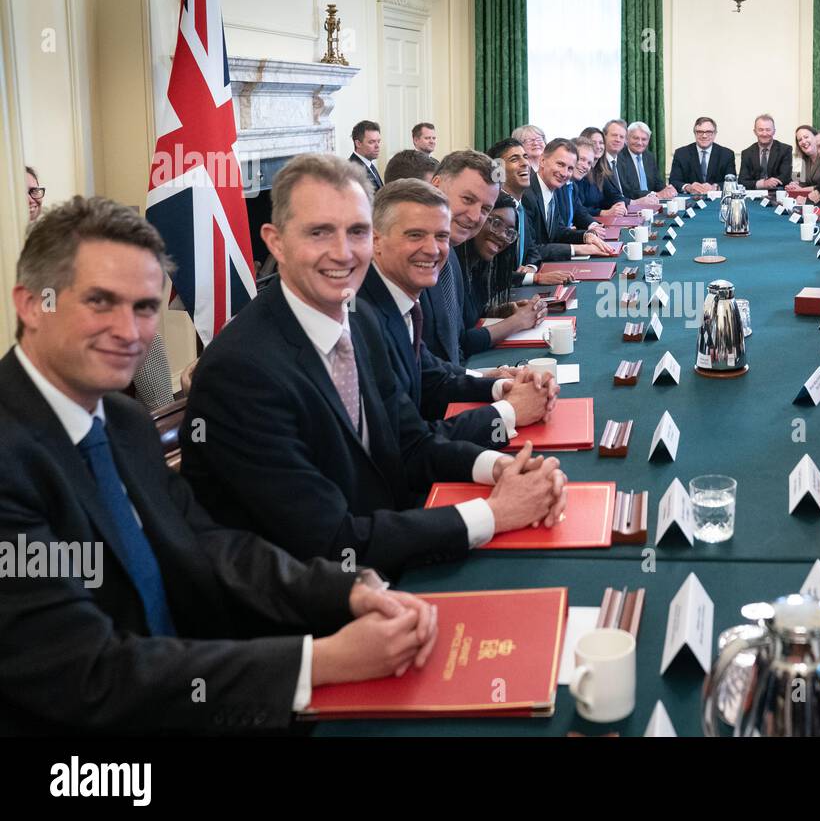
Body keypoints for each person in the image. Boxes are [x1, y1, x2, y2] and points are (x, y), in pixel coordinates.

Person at [0, 195, 450, 733]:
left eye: (144, 307)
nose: (129, 331)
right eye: (100, 302)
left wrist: (343, 587)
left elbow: (209, 545)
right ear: (31, 304)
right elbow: (86, 674)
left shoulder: (121, 421)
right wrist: (319, 663)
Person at [181, 152, 566, 577]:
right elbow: (330, 542)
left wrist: (502, 468)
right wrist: (493, 514)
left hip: (390, 547)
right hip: (327, 604)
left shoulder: (357, 321)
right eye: (320, 232)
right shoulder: (241, 372)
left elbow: (411, 444)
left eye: (357, 231)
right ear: (275, 242)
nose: (343, 253)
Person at [357, 179, 549, 440]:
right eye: (415, 235)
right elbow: (408, 444)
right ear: (375, 239)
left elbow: (432, 374)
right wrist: (509, 412)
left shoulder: (409, 295)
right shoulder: (362, 314)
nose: (432, 249)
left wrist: (498, 385)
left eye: (441, 236)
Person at [488, 138, 575, 288]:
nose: (525, 163)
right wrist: (535, 278)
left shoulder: (519, 206)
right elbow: (491, 273)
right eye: (515, 159)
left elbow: (532, 251)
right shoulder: (494, 211)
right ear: (497, 170)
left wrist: (531, 267)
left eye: (525, 157)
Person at [519, 139, 615, 262]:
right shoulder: (526, 195)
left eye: (570, 168)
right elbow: (530, 250)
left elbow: (558, 231)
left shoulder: (552, 190)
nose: (564, 173)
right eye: (560, 164)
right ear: (542, 161)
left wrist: (586, 236)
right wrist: (578, 249)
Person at [669, 116, 735, 194]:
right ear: (695, 133)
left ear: (715, 134)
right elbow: (674, 181)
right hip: (691, 200)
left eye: (708, 132)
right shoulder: (681, 154)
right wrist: (688, 187)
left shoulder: (727, 154)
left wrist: (715, 187)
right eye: (700, 132)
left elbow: (732, 182)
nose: (704, 136)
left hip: (717, 201)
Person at [737, 114, 793, 191]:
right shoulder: (747, 153)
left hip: (777, 194)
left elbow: (785, 177)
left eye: (768, 130)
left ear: (774, 131)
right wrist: (763, 184)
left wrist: (770, 183)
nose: (764, 133)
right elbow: (742, 181)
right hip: (754, 195)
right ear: (755, 132)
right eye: (760, 130)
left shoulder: (785, 150)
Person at [624, 121, 670, 199]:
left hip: (652, 204)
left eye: (644, 139)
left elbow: (658, 182)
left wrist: (667, 190)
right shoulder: (619, 158)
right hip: (632, 204)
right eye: (636, 138)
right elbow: (627, 190)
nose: (640, 143)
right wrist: (653, 194)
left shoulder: (649, 156)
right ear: (627, 138)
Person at [348, 120, 383, 193]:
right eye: (371, 142)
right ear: (358, 143)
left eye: (378, 141)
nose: (377, 146)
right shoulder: (353, 170)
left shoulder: (369, 164)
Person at [787, 124, 820, 191]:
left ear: (816, 137)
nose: (803, 142)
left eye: (806, 137)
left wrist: (802, 190)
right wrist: (794, 185)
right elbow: (799, 181)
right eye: (800, 140)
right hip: (808, 199)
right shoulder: (801, 159)